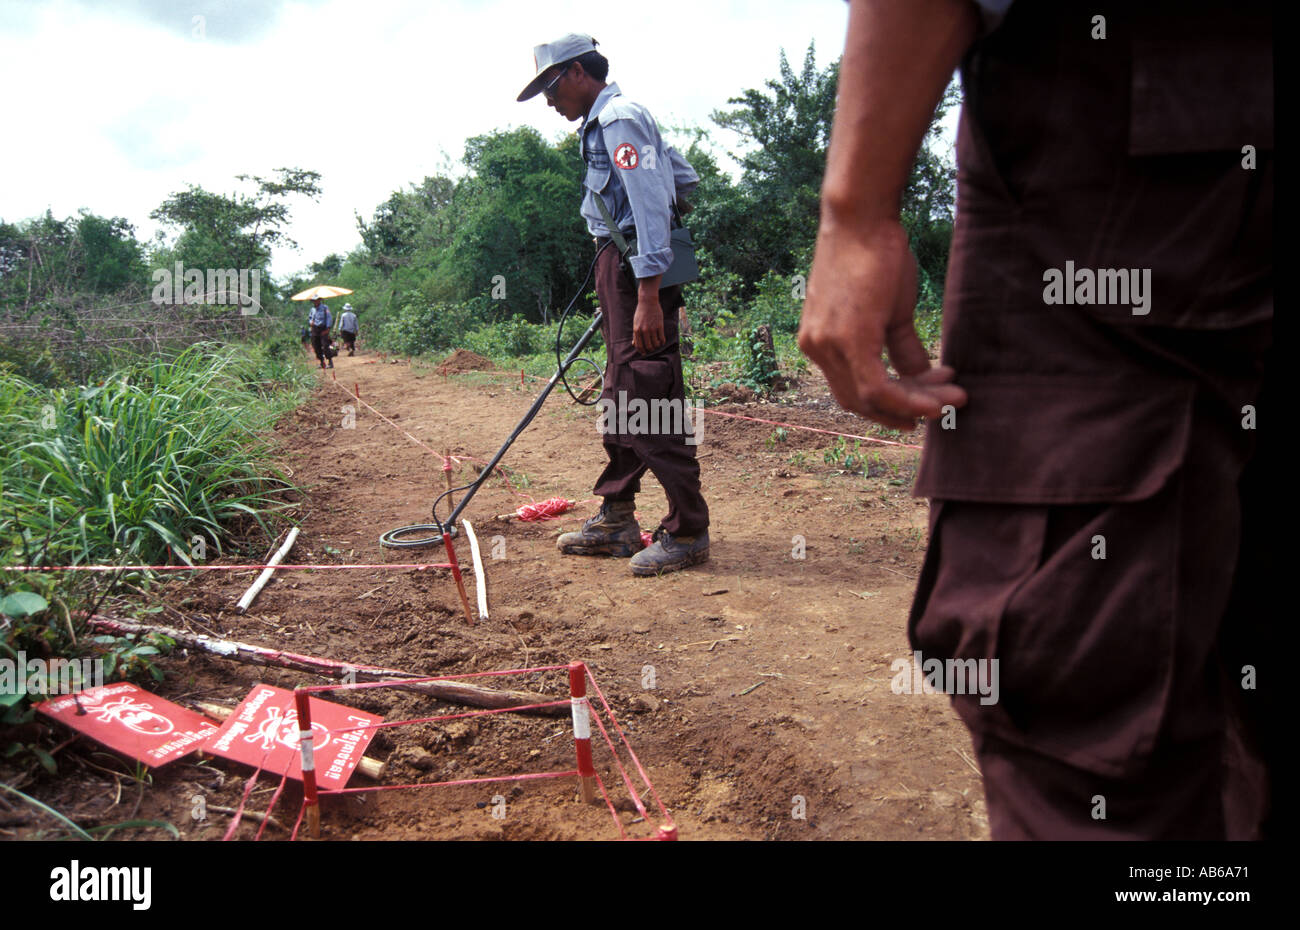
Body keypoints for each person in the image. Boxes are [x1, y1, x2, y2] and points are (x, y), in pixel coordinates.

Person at [798, 0, 1272, 839]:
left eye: (553, 86)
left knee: (1080, 684)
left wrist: (857, 208)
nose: (551, 101)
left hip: (1125, 134)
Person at [518, 34, 711, 576]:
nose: (549, 101)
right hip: (623, 267)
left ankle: (689, 530)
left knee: (648, 392)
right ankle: (618, 516)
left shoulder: (620, 117)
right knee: (619, 392)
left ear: (578, 72)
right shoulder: (605, 124)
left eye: (551, 87)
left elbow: (652, 197)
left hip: (637, 274)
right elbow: (682, 180)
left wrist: (648, 286)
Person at [307, 296, 333, 369]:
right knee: (316, 346)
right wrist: (310, 322)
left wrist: (328, 328)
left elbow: (329, 318)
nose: (315, 301)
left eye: (317, 300)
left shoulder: (325, 308)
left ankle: (330, 361)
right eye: (314, 300)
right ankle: (322, 362)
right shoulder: (312, 310)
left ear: (319, 300)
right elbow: (310, 318)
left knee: (325, 346)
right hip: (315, 329)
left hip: (323, 328)